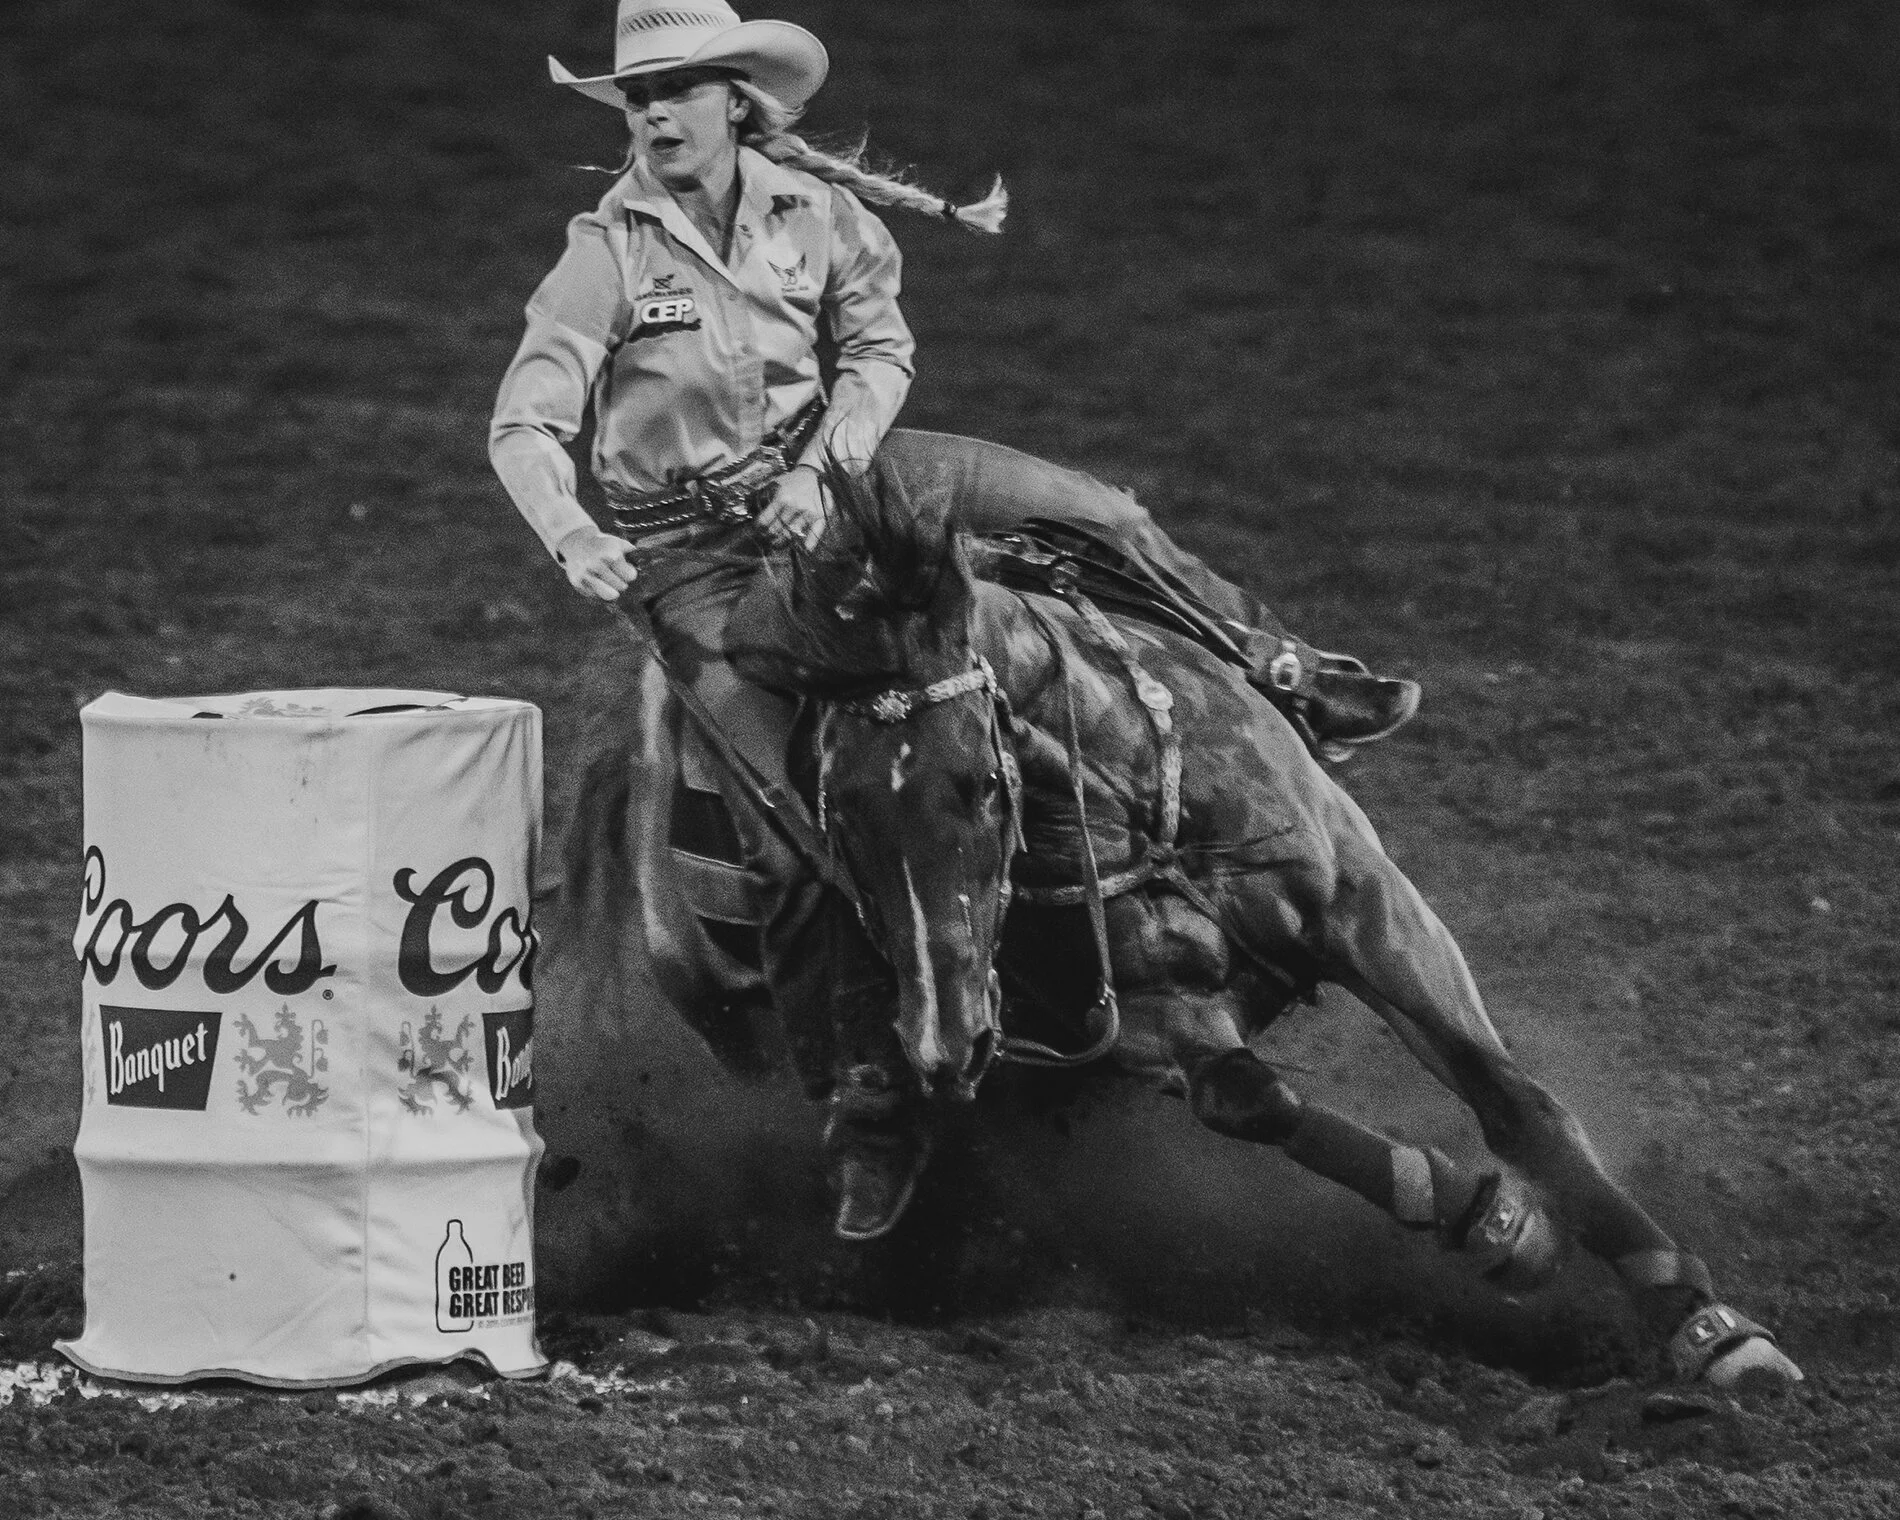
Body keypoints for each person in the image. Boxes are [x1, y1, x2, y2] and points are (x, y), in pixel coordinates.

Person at [491, 0, 1419, 1238]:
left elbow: (878, 353)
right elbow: (524, 423)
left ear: (735, 102)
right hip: (694, 555)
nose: (654, 112)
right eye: (638, 95)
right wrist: (576, 531)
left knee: (1094, 512)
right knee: (782, 807)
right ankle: (864, 1094)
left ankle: (1286, 670)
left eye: (679, 89)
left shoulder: (819, 217)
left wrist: (829, 464)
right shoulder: (602, 254)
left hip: (841, 471)